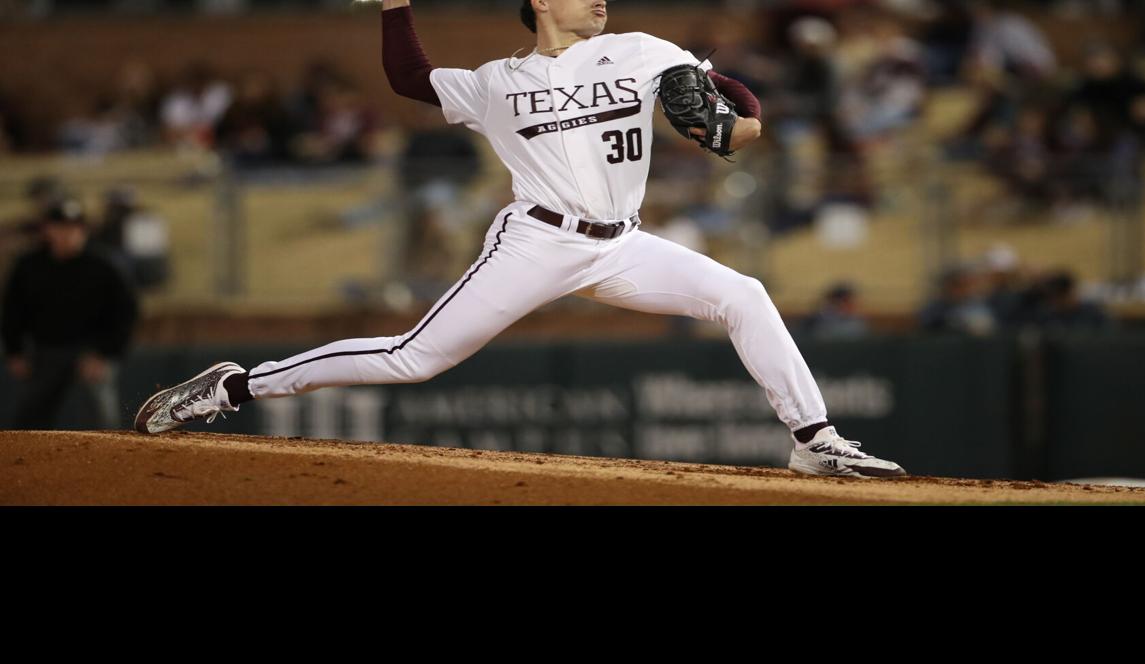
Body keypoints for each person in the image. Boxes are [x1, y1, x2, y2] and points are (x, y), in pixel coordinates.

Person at [134, 0, 906, 479]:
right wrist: (394, 6)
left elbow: (729, 115)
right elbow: (410, 80)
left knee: (744, 294)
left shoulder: (643, 50)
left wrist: (739, 102)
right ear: (540, 3)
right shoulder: (494, 80)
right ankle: (235, 386)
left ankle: (815, 439)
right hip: (536, 242)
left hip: (623, 245)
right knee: (414, 359)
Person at [3, 199, 140, 429]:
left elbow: (126, 313)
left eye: (74, 227)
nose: (67, 234)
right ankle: (26, 462)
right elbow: (12, 310)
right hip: (47, 349)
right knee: (30, 416)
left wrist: (106, 353)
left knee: (99, 412)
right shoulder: (29, 265)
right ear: (47, 230)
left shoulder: (105, 265)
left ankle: (106, 460)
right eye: (60, 227)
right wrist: (14, 350)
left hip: (93, 350)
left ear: (83, 230)